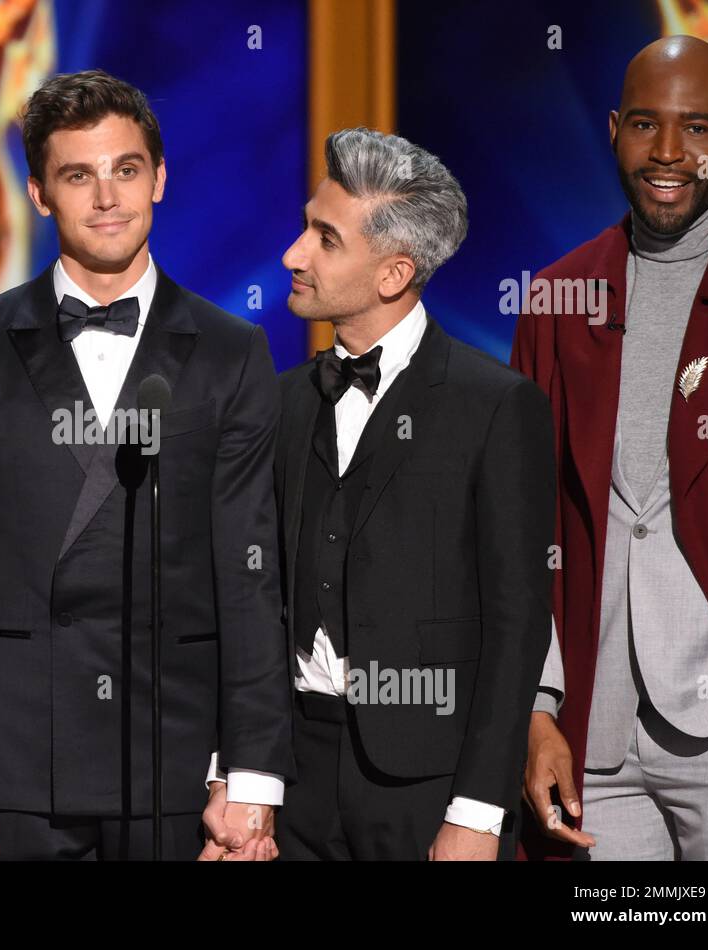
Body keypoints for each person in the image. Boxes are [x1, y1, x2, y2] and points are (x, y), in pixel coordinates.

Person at [0, 69, 293, 861]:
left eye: (127, 169)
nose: (107, 197)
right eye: (79, 175)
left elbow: (251, 574)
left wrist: (251, 775)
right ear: (39, 193)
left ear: (161, 178)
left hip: (171, 761)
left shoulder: (232, 352)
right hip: (12, 761)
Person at [275, 128, 554, 860]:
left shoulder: (495, 406)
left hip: (428, 787)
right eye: (306, 225)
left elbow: (517, 622)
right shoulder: (278, 403)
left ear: (394, 273)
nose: (293, 255)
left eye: (324, 239)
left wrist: (477, 812)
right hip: (292, 773)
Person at [515, 35, 708, 861]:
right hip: (596, 735)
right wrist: (539, 705)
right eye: (646, 125)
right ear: (615, 129)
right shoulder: (558, 298)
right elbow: (528, 521)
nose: (667, 153)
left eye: (697, 128)